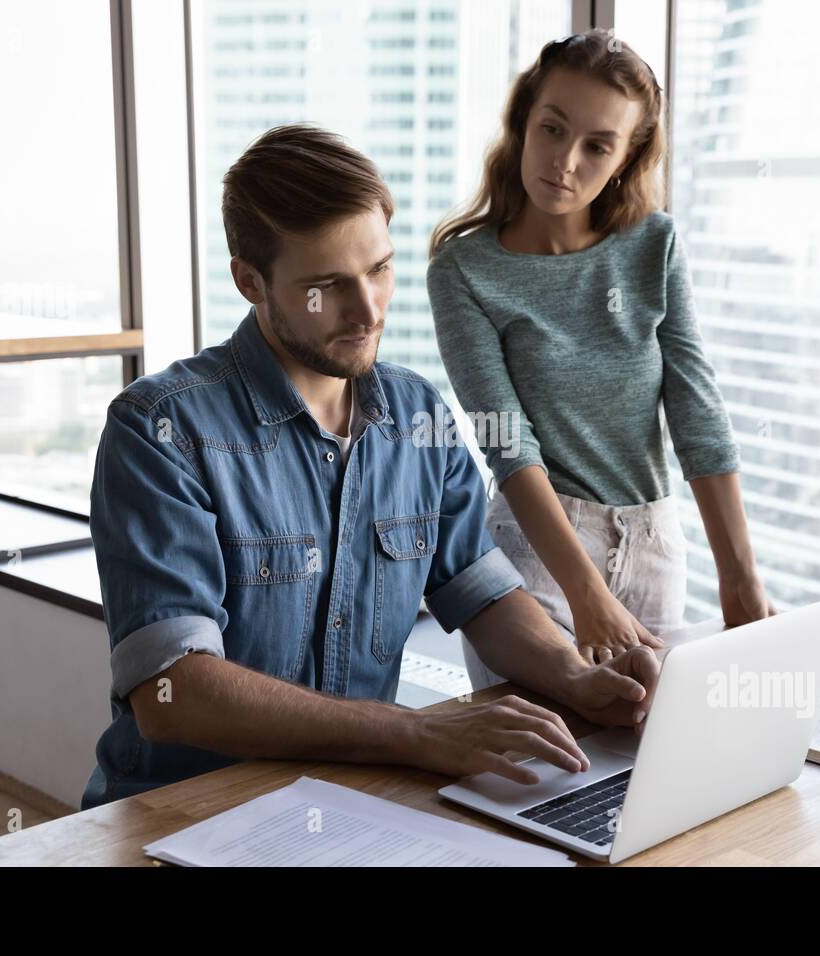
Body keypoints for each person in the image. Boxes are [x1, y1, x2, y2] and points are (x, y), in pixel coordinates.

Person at [81, 124, 659, 810]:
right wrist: (415, 732)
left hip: (354, 806)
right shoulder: (159, 431)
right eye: (327, 286)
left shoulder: (418, 413)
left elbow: (483, 593)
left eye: (380, 269)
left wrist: (574, 676)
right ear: (250, 281)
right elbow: (173, 694)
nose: (368, 310)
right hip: (184, 812)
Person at [426, 30, 774, 691]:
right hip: (536, 557)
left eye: (597, 146)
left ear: (627, 157)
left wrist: (740, 578)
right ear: (524, 119)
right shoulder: (465, 270)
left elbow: (696, 411)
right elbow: (507, 442)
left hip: (655, 549)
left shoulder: (654, 245)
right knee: (539, 771)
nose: (565, 161)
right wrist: (585, 594)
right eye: (552, 129)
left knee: (644, 769)